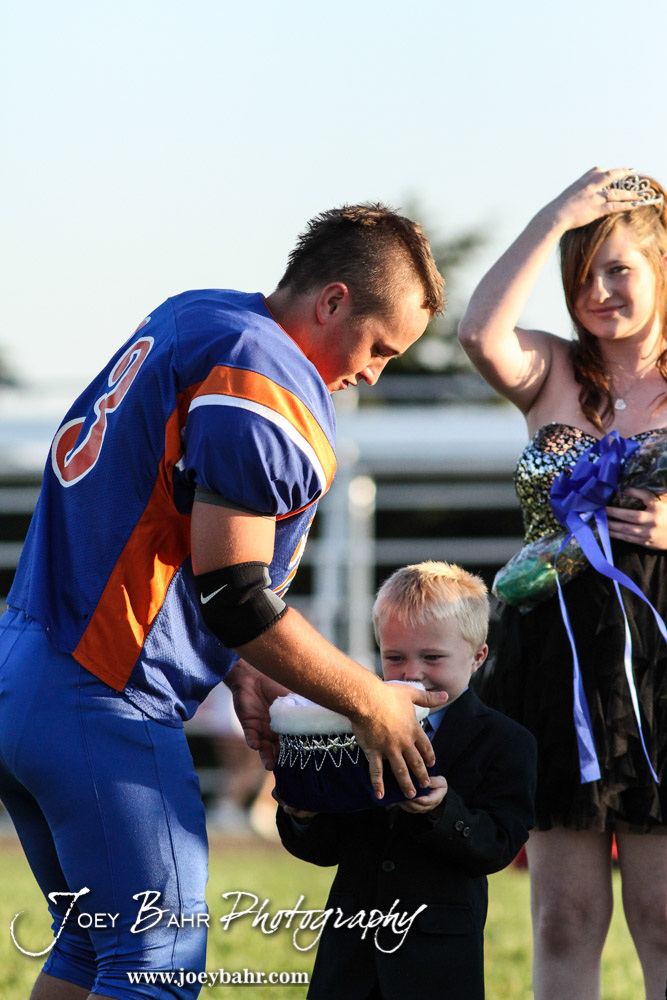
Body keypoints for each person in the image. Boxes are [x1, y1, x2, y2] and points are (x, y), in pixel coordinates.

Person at [0, 204, 448, 1000]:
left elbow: (176, 533)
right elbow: (233, 593)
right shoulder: (263, 378)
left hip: (26, 664)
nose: (375, 371)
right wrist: (368, 701)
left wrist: (241, 666)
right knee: (155, 968)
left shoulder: (202, 314)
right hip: (102, 693)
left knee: (88, 950)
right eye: (378, 346)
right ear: (333, 301)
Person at [458, 168, 667, 1000]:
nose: (597, 293)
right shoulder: (547, 366)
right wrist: (558, 214)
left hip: (659, 676)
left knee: (662, 921)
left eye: (618, 269)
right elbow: (479, 331)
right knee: (562, 921)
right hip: (549, 668)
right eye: (581, 276)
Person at [276, 561, 536, 1000]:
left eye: (432, 657)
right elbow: (325, 848)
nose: (411, 672)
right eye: (394, 657)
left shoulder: (506, 741)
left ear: (477, 656)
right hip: (349, 957)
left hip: (438, 966)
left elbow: (498, 846)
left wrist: (441, 812)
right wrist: (303, 813)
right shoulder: (347, 728)